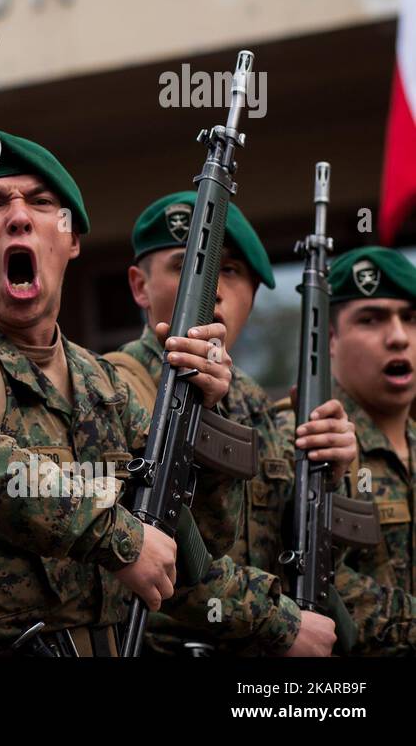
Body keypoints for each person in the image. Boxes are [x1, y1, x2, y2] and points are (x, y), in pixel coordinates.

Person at [0, 131, 241, 657]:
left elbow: (197, 548)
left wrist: (205, 416)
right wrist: (119, 536)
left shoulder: (106, 384)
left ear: (72, 239)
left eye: (41, 203)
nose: (18, 217)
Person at [109, 191, 355, 656]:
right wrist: (282, 624)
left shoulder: (260, 407)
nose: (213, 290)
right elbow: (133, 553)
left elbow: (299, 554)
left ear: (254, 296)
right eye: (188, 267)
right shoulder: (112, 388)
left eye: (231, 272)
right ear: (140, 286)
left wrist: (332, 480)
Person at [329, 246, 416, 654]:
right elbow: (305, 585)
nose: (398, 337)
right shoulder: (304, 441)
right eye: (371, 319)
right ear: (330, 338)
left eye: (410, 318)